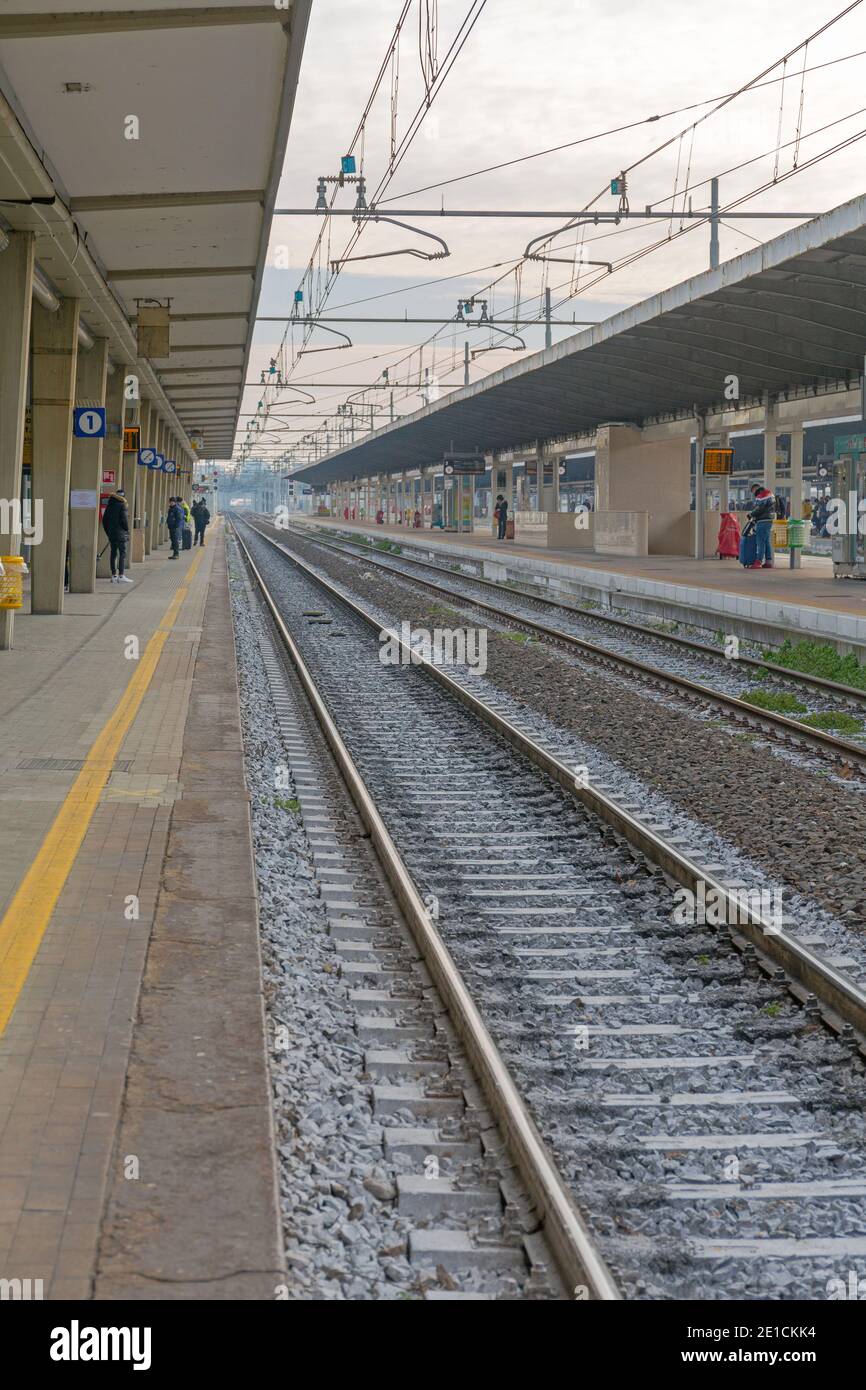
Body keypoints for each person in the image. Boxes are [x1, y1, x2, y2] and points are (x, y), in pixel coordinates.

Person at [102, 487, 132, 584]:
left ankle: (114, 575)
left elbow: (104, 521)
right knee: (122, 553)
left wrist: (108, 532)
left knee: (113, 553)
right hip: (120, 534)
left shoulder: (109, 506)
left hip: (112, 534)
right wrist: (127, 529)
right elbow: (124, 520)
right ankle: (121, 575)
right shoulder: (122, 505)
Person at [747, 482, 776, 568]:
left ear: (755, 488)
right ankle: (768, 561)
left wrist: (751, 514)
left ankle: (758, 561)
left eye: (752, 491)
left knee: (760, 542)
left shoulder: (762, 494)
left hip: (763, 520)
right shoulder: (768, 493)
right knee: (766, 541)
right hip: (768, 519)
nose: (753, 493)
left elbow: (760, 508)